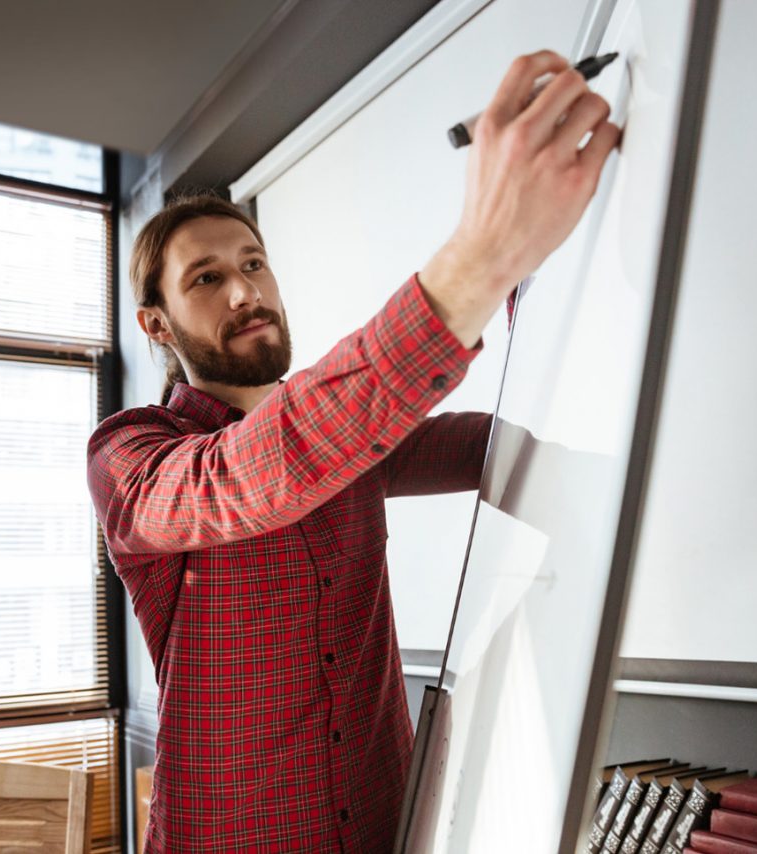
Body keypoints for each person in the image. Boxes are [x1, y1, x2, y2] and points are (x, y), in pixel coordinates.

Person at [87, 50, 620, 852]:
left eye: (254, 265)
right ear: (155, 324)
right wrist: (480, 255)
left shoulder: (349, 438)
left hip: (384, 824)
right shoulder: (130, 454)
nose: (246, 291)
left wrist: (618, 484)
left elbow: (484, 443)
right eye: (206, 279)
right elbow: (244, 477)